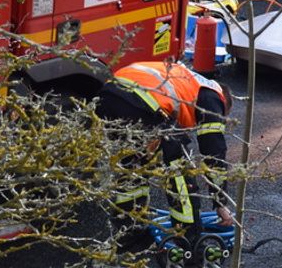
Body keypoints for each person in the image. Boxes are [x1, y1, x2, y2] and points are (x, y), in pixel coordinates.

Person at [94, 60, 234, 249]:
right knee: (179, 173)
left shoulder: (189, 80)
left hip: (108, 96)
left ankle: (131, 236)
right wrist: (220, 202)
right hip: (143, 102)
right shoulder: (213, 98)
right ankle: (189, 243)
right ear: (224, 104)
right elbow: (214, 153)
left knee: (132, 167)